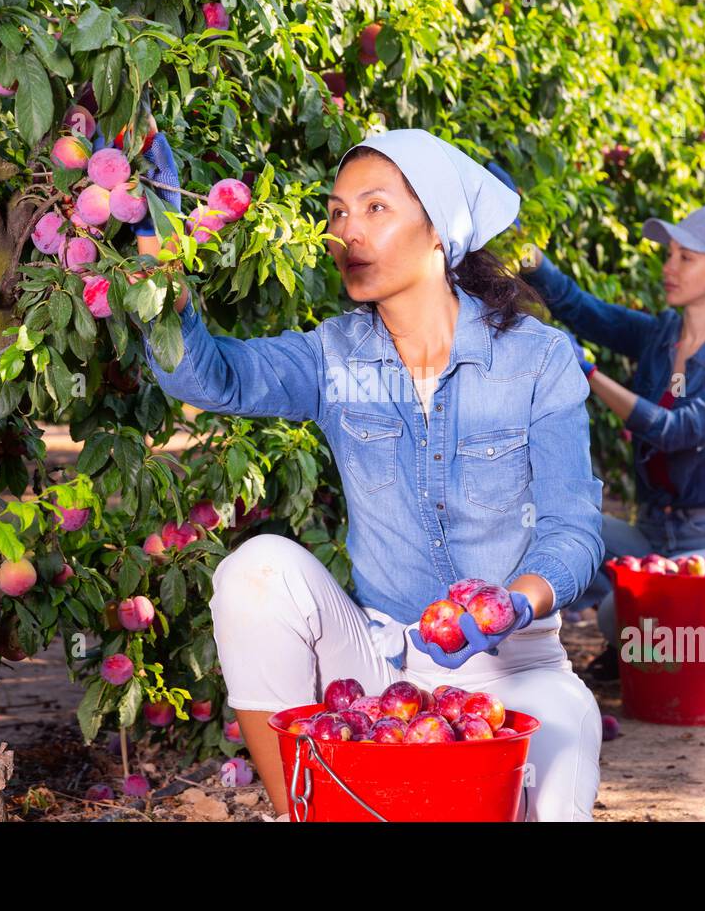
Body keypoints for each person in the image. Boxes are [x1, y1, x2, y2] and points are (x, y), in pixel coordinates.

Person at [133, 129, 605, 821]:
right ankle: (304, 810)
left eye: (375, 208)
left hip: (519, 670)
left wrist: (513, 604)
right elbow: (207, 375)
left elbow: (572, 531)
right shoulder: (335, 355)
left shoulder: (538, 360)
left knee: (559, 777)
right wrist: (161, 245)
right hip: (382, 664)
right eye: (337, 212)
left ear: (438, 230)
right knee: (255, 572)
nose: (347, 231)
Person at [489, 167, 705, 691]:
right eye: (669, 254)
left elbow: (676, 430)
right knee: (542, 527)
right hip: (651, 536)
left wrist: (592, 375)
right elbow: (580, 307)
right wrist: (517, 237)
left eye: (685, 258)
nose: (669, 267)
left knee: (617, 617)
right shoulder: (660, 335)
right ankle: (682, 637)